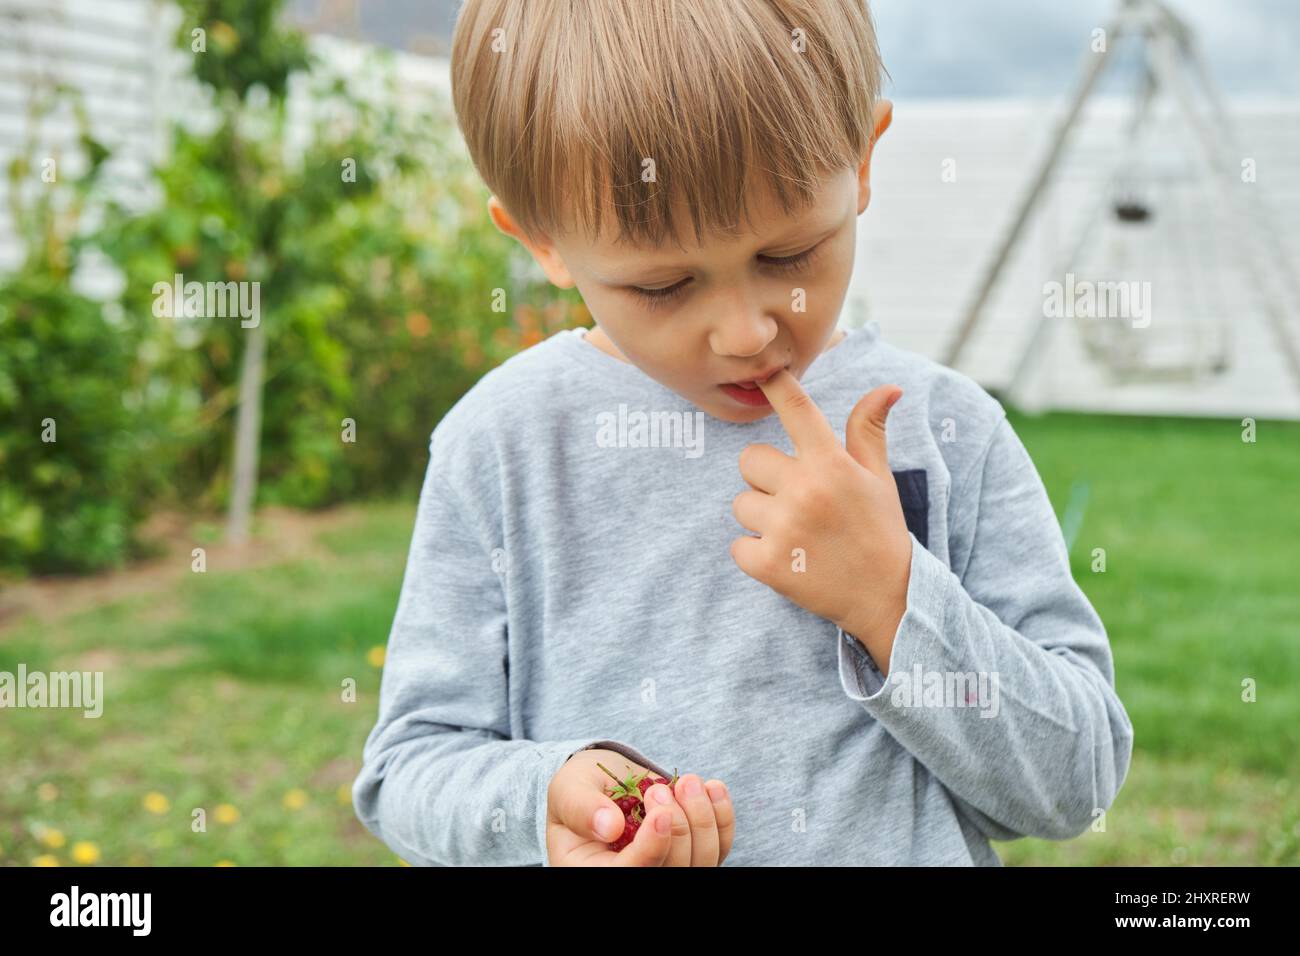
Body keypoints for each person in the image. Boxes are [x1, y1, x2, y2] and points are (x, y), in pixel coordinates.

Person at [352, 0, 1134, 866]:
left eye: (790, 254)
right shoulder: (500, 447)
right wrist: (543, 808)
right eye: (663, 286)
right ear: (544, 241)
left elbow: (1076, 780)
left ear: (864, 162)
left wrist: (893, 598)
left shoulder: (945, 429)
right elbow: (410, 770)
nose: (746, 333)